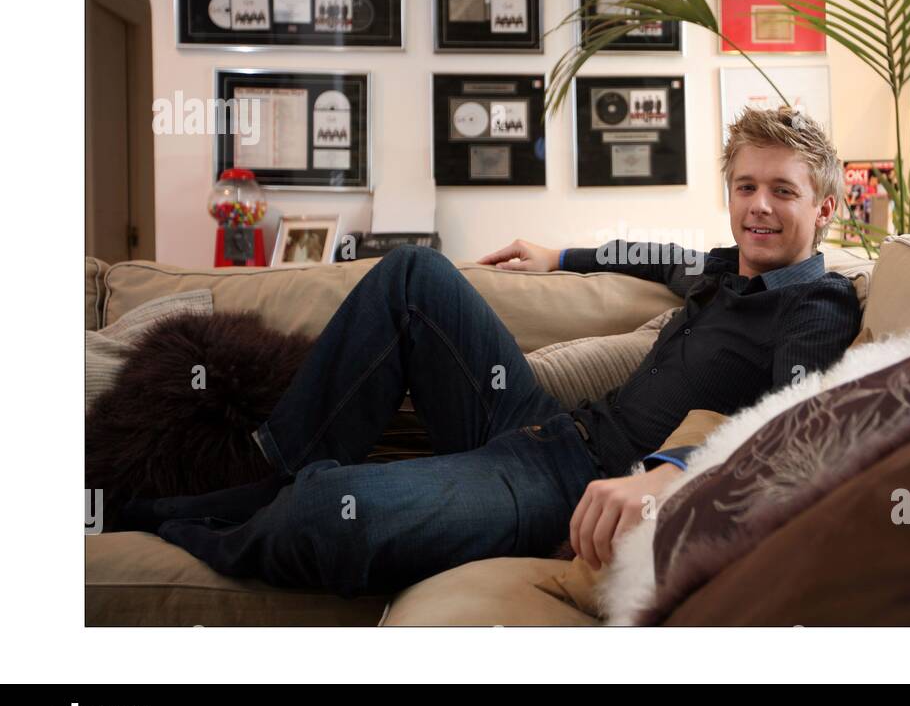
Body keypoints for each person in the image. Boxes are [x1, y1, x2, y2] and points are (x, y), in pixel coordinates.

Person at [122, 106, 862, 598]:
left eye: (782, 192)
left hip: (572, 497)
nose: (758, 207)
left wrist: (666, 478)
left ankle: (190, 519)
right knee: (414, 274)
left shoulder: (815, 306)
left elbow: (792, 427)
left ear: (824, 207)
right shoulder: (719, 267)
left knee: (329, 508)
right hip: (544, 428)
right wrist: (559, 253)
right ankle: (265, 467)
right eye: (745, 187)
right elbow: (653, 253)